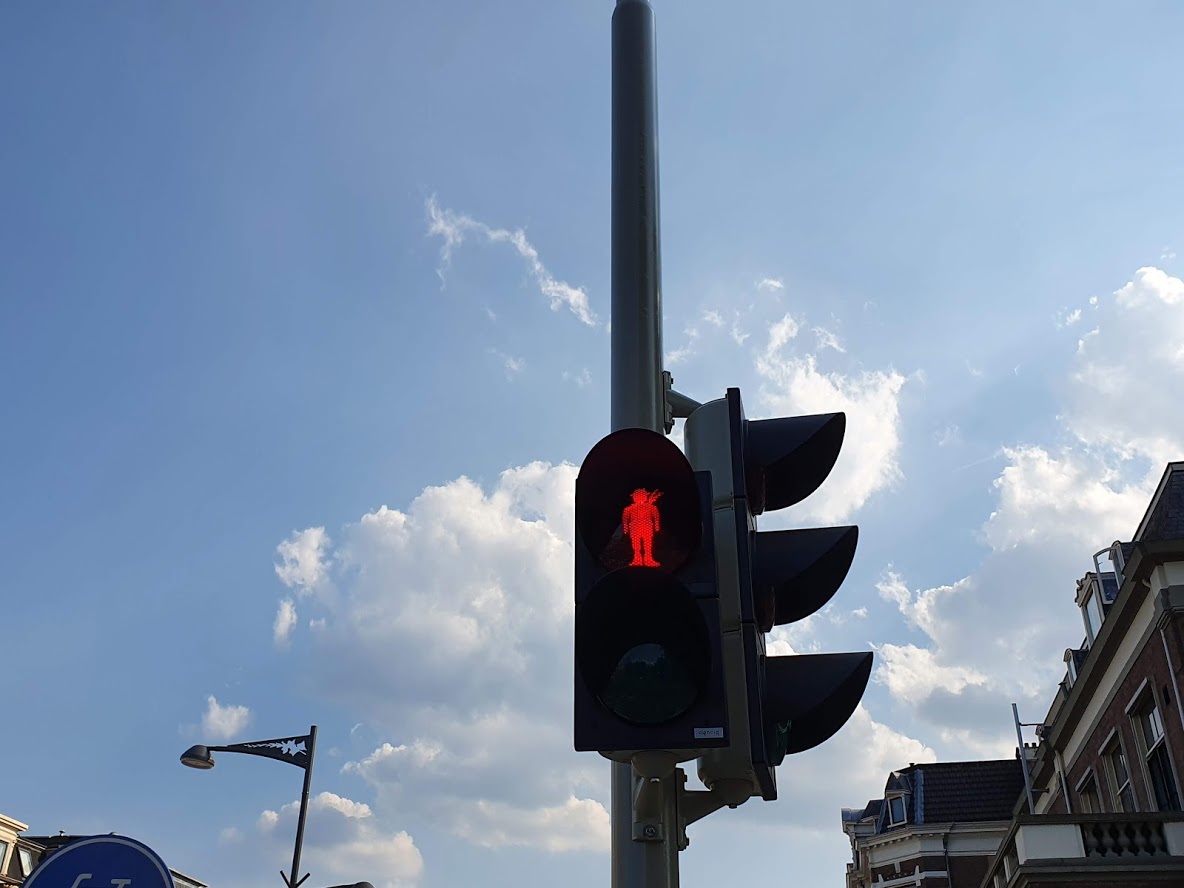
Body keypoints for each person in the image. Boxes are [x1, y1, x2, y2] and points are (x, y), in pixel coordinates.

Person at [621, 488, 661, 567]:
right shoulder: (629, 509)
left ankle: (648, 560)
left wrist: (657, 526)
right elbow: (625, 519)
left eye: (641, 495)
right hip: (636, 528)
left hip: (646, 528)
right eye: (638, 496)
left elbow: (656, 517)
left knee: (647, 544)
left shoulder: (651, 507)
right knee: (637, 545)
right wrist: (625, 528)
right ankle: (637, 560)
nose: (640, 498)